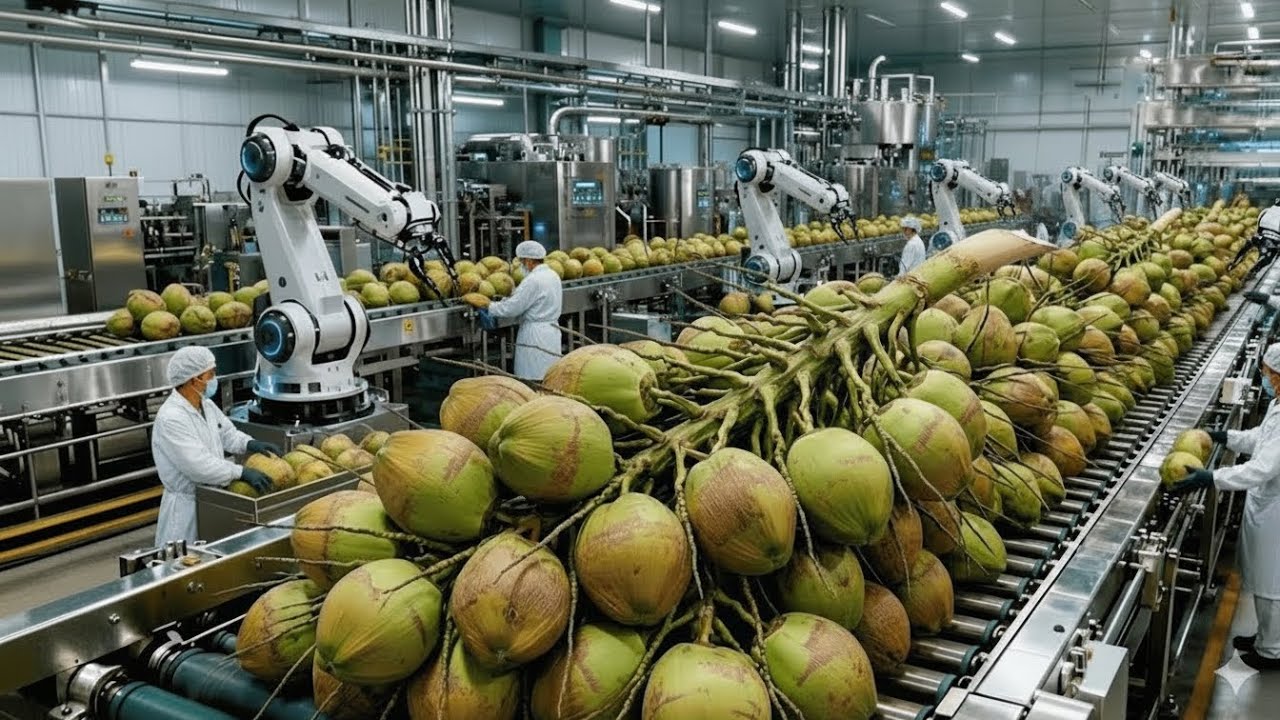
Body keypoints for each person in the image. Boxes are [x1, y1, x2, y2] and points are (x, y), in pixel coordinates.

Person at [1174, 341, 1280, 670]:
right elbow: (1260, 439)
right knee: (1263, 578)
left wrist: (1213, 477)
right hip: (1265, 503)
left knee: (1271, 583)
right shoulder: (1277, 404)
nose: (1264, 377)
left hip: (1275, 510)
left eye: (1268, 373)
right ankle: (1266, 637)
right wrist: (1225, 436)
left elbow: (1262, 467)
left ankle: (1272, 651)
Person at [152, 346, 281, 546]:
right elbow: (198, 467)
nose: (214, 379)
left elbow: (227, 434)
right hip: (188, 509)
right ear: (194, 379)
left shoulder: (206, 405)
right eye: (210, 374)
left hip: (212, 499)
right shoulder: (171, 418)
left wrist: (250, 443)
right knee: (187, 559)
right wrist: (241, 472)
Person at [473, 240, 563, 381]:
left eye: (521, 261)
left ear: (529, 261)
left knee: (532, 377)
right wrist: (506, 300)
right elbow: (526, 300)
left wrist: (489, 306)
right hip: (551, 332)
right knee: (549, 376)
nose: (521, 265)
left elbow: (513, 308)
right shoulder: (553, 275)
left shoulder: (533, 280)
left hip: (534, 336)